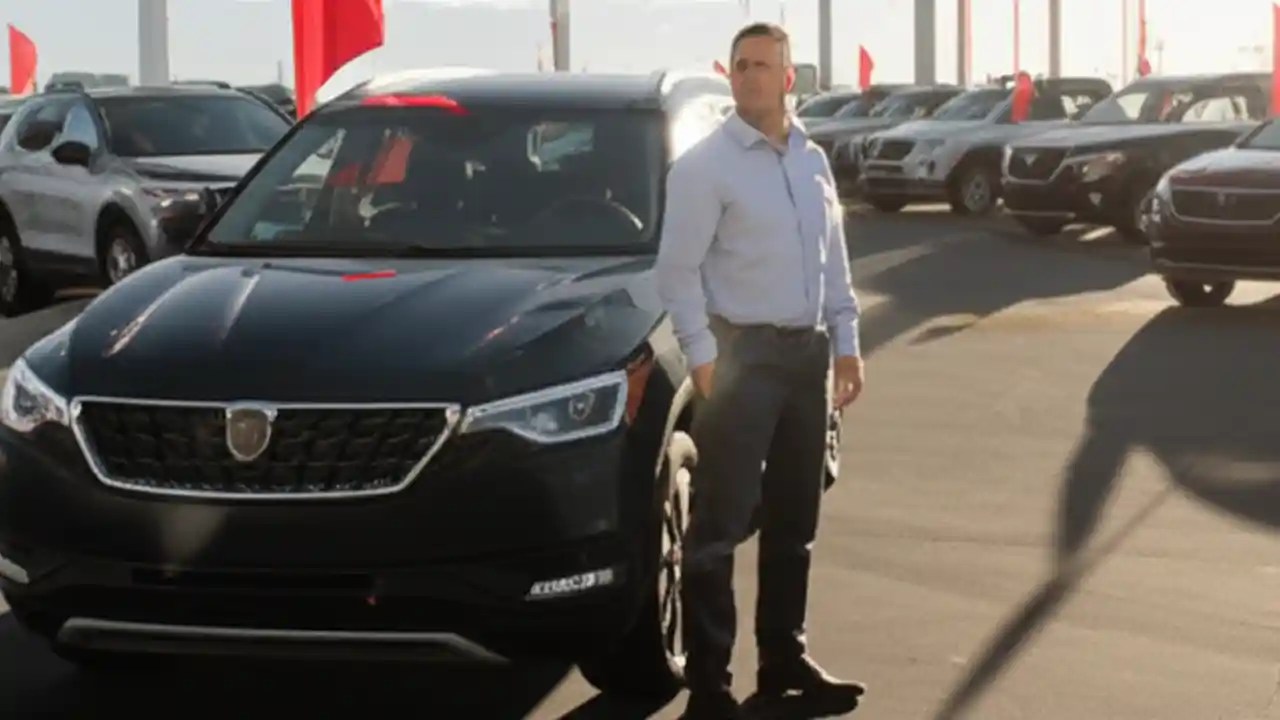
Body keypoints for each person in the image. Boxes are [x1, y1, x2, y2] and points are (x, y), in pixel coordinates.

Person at [654, 21, 866, 720]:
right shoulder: (705, 166)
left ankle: (783, 662)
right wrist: (704, 358)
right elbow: (677, 272)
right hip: (741, 363)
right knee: (716, 530)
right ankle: (710, 689)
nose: (747, 76)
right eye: (739, 65)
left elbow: (832, 260)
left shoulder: (811, 160)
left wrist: (847, 340)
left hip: (807, 361)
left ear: (788, 78)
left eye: (761, 65)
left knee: (793, 523)